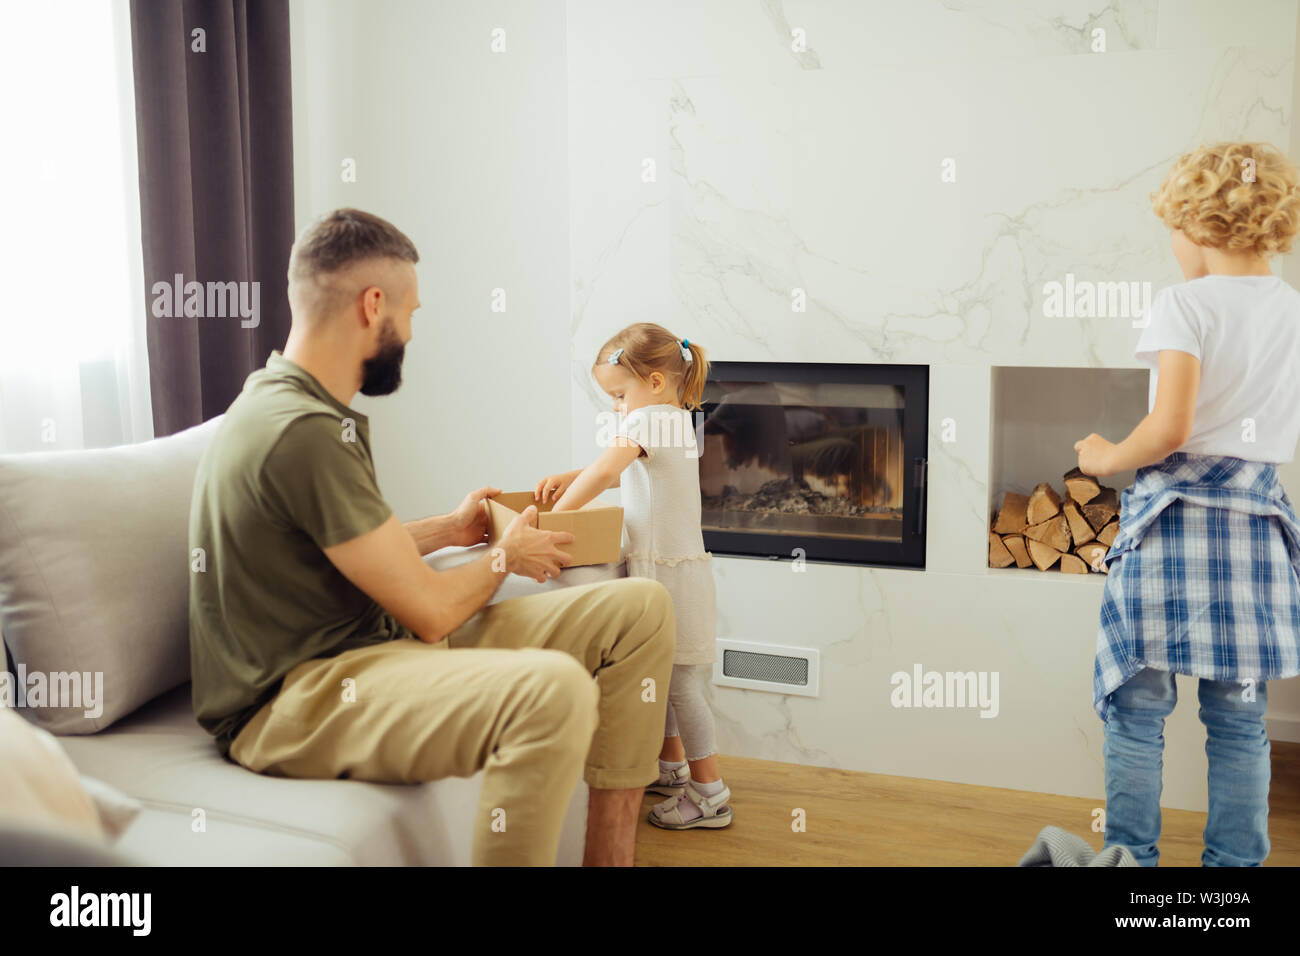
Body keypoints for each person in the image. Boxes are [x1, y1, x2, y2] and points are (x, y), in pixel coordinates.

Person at [188, 208, 676, 866]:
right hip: (296, 698)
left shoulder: (295, 404)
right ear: (372, 306)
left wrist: (450, 528)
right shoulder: (298, 429)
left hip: (372, 647)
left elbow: (340, 547)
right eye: (411, 313)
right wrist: (506, 554)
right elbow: (433, 610)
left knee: (640, 608)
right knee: (551, 691)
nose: (412, 332)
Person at [1075, 142, 1300, 866]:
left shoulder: (1184, 304)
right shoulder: (1293, 311)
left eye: (1173, 228)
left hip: (1175, 529)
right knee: (1239, 720)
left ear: (1201, 226)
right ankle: (1234, 874)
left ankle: (1132, 860)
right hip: (1257, 531)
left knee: (1137, 715)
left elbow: (1171, 428)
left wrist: (1106, 457)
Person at [536, 323, 731, 829]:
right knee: (666, 678)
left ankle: (710, 792)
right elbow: (620, 467)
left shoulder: (653, 421)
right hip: (667, 575)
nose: (618, 408)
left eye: (620, 395)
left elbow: (606, 472)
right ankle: (672, 767)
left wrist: (550, 522)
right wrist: (570, 476)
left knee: (683, 686)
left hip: (673, 580)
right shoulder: (672, 421)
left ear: (656, 383)